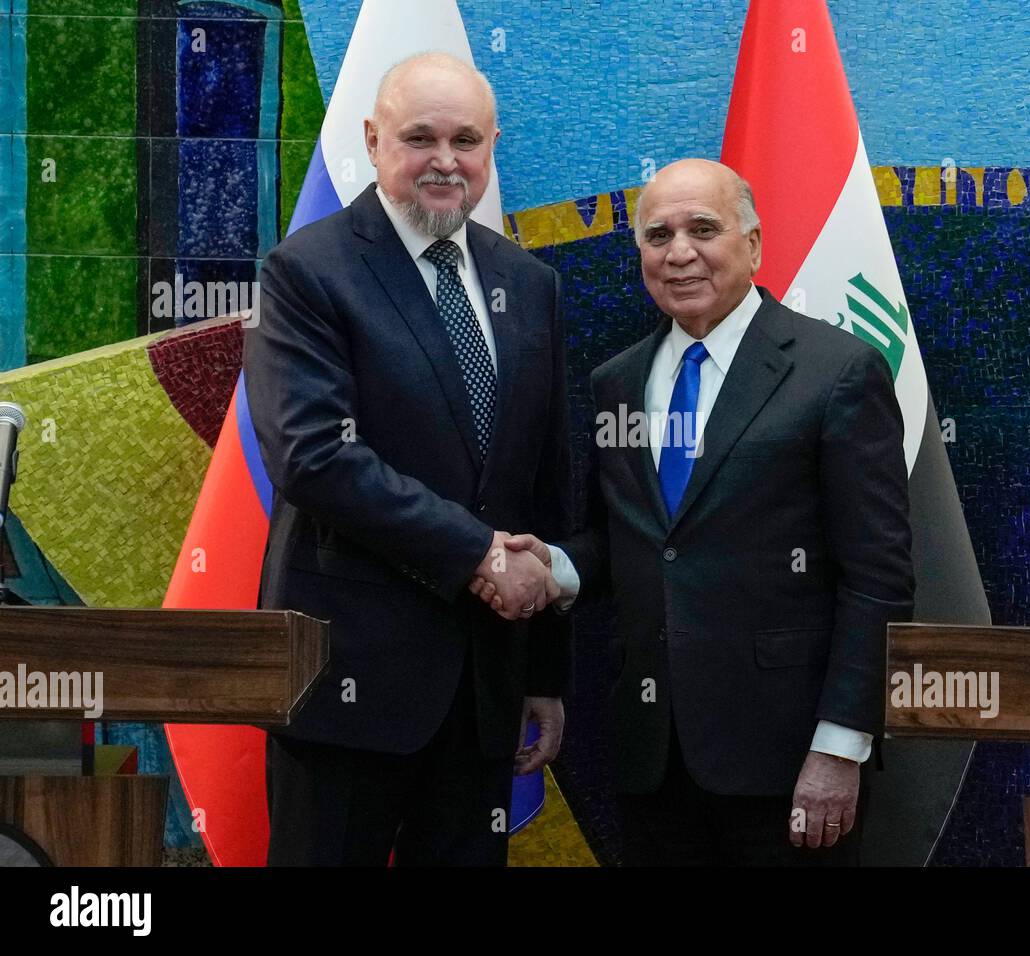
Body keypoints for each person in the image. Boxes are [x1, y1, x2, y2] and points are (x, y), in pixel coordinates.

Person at [475, 158, 913, 865]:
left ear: (754, 244)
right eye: (658, 235)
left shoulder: (838, 372)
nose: (679, 252)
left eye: (702, 229)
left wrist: (840, 747)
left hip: (787, 761)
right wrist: (549, 566)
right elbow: (619, 542)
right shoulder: (617, 382)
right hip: (652, 759)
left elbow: (879, 578)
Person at [244, 52, 571, 866]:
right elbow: (314, 456)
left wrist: (544, 672)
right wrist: (478, 554)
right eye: (419, 137)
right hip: (344, 684)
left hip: (483, 692)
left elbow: (546, 483)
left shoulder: (529, 284)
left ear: (492, 145)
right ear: (373, 139)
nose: (445, 160)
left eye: (466, 139)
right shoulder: (305, 271)